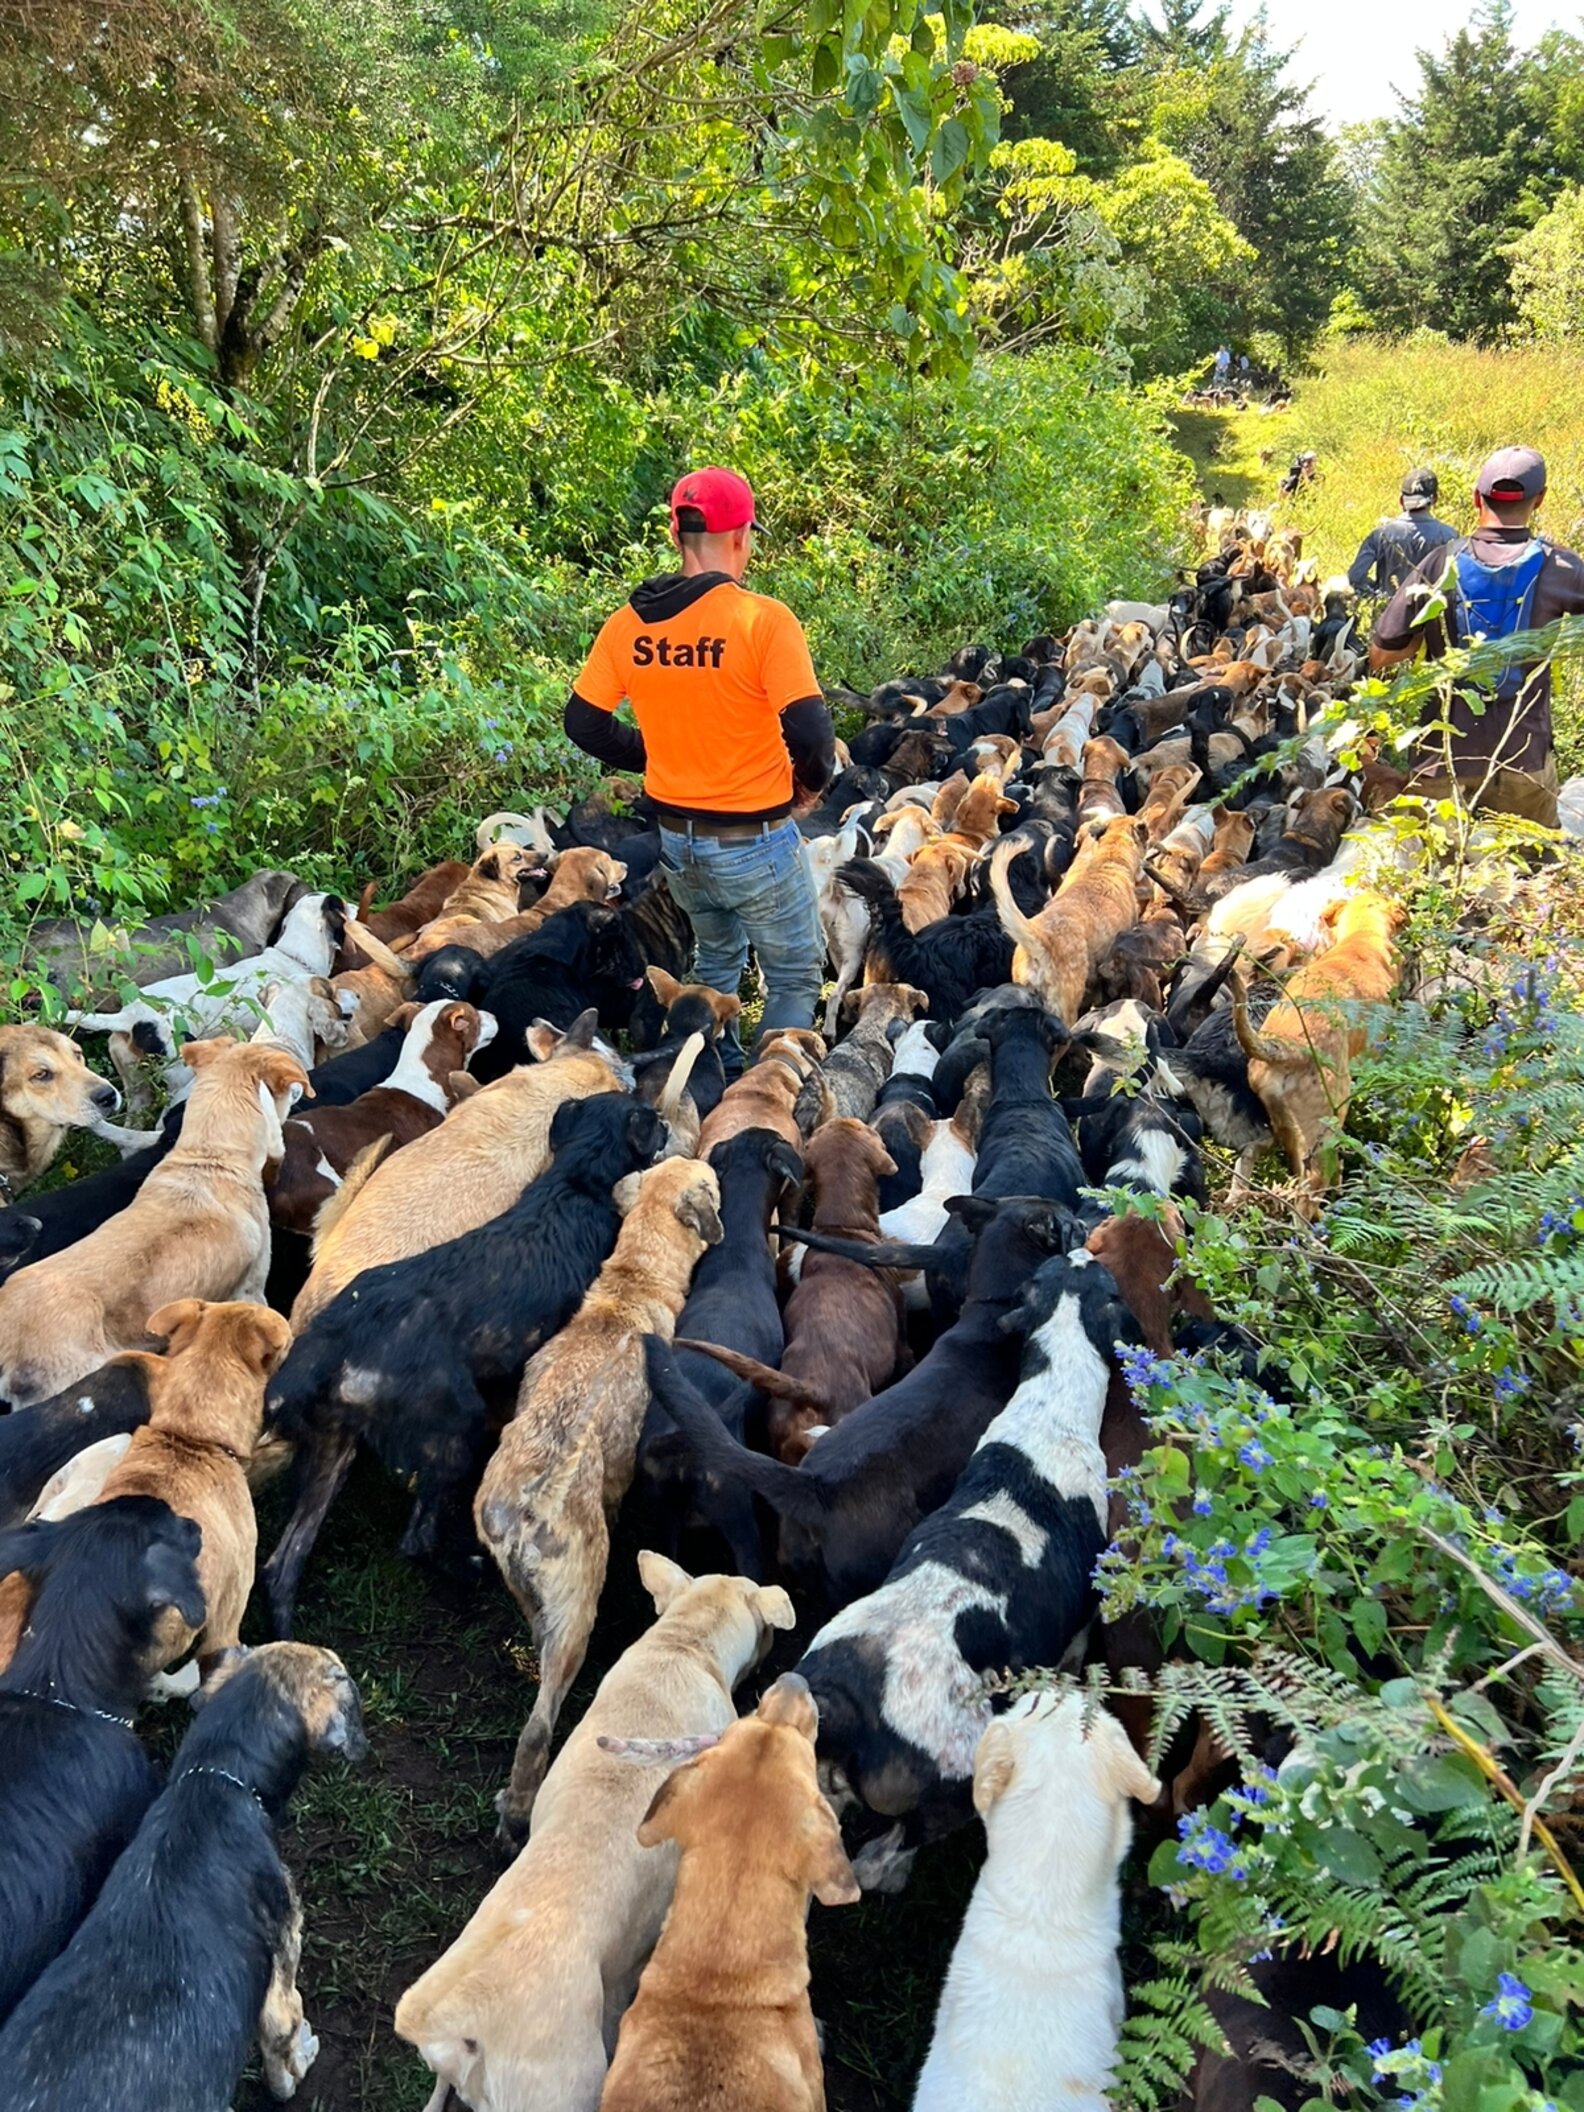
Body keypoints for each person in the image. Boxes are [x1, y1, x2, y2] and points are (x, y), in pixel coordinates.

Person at [564, 467, 834, 1070]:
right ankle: (765, 1102)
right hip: (755, 841)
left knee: (714, 959)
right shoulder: (763, 621)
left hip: (677, 844)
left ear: (674, 531)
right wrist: (809, 787)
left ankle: (709, 1080)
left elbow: (584, 723)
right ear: (741, 537)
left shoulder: (631, 624)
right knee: (792, 976)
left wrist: (656, 754)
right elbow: (815, 735)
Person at [1369, 446, 1584, 828]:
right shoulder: (1562, 567)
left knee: (1432, 873)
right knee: (1527, 877)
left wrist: (1424, 640)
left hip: (1443, 761)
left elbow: (1381, 653)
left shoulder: (1440, 562)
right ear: (1540, 500)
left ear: (1475, 498)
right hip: (1524, 763)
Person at [1347, 469, 1457, 596]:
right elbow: (1458, 583)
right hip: (1433, 612)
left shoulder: (1381, 535)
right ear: (1435, 499)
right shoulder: (1450, 537)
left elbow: (1355, 577)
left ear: (1401, 500)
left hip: (1388, 613)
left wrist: (1377, 594)